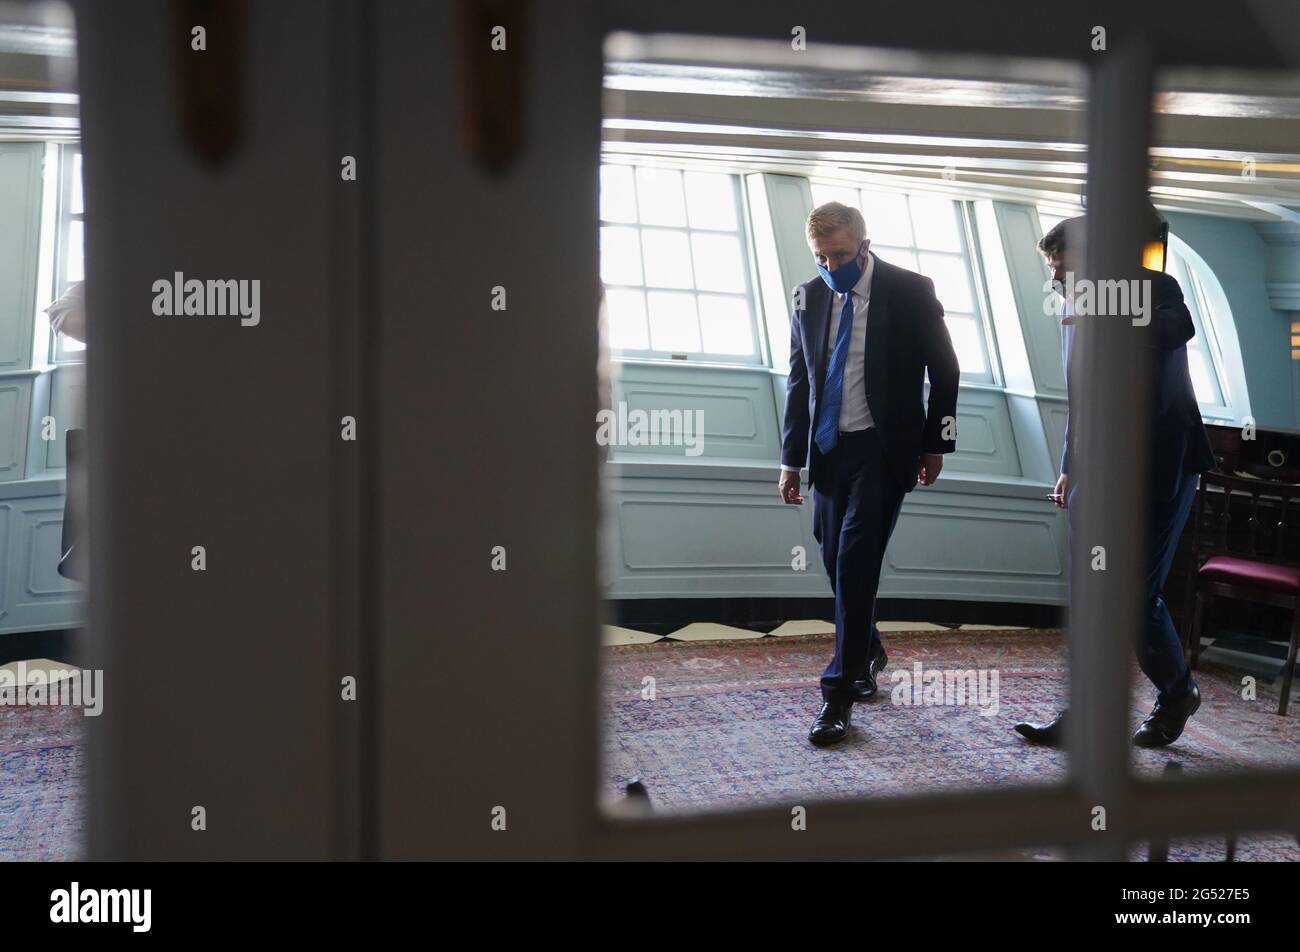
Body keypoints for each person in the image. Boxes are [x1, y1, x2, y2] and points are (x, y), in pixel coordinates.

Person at [1014, 212, 1215, 748]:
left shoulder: (1156, 288)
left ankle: (1177, 692)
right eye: (1054, 274)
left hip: (1162, 467)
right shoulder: (1073, 309)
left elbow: (1179, 328)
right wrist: (1067, 466)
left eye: (1068, 269)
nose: (1059, 281)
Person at [779, 202, 959, 746]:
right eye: (821, 257)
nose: (831, 266)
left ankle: (838, 695)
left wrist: (937, 442)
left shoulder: (910, 290)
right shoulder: (809, 296)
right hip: (830, 449)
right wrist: (792, 459)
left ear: (864, 246)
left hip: (885, 450)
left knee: (856, 560)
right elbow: (799, 380)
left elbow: (945, 368)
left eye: (840, 255)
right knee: (834, 557)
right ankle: (869, 649)